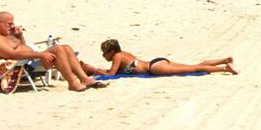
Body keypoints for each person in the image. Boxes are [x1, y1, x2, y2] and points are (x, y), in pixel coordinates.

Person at [0, 12, 108, 92]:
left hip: (29, 59)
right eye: (9, 24)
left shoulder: (6, 34)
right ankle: (72, 82)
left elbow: (22, 46)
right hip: (24, 64)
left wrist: (19, 36)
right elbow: (11, 54)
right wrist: (40, 54)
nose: (12, 26)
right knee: (58, 49)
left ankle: (84, 79)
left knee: (66, 47)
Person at [96, 39, 237, 76]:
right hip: (157, 62)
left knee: (194, 68)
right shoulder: (124, 54)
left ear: (112, 51)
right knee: (192, 66)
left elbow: (111, 75)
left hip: (155, 68)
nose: (103, 55)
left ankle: (225, 68)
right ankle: (223, 60)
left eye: (105, 53)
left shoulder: (117, 57)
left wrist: (95, 70)